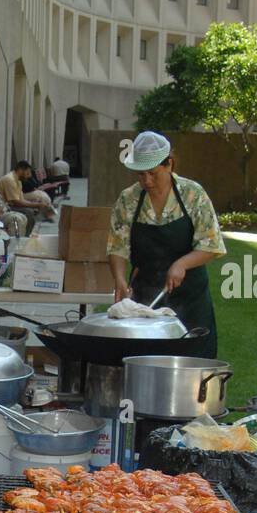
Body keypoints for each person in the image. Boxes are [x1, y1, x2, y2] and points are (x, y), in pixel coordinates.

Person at [106, 131, 227, 359]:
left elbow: (211, 244)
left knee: (192, 365)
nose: (147, 181)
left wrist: (182, 263)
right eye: (141, 175)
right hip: (145, 296)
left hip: (192, 300)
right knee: (145, 363)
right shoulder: (128, 199)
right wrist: (120, 280)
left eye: (153, 173)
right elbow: (117, 247)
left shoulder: (193, 195)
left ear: (169, 164)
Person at [0, 160, 54, 226]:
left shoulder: (18, 180)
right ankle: (26, 234)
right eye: (27, 172)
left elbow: (21, 200)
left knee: (32, 210)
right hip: (5, 206)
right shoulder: (10, 180)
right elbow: (15, 202)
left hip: (11, 205)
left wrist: (35, 204)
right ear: (20, 170)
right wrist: (36, 205)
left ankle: (28, 232)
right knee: (28, 212)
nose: (28, 176)